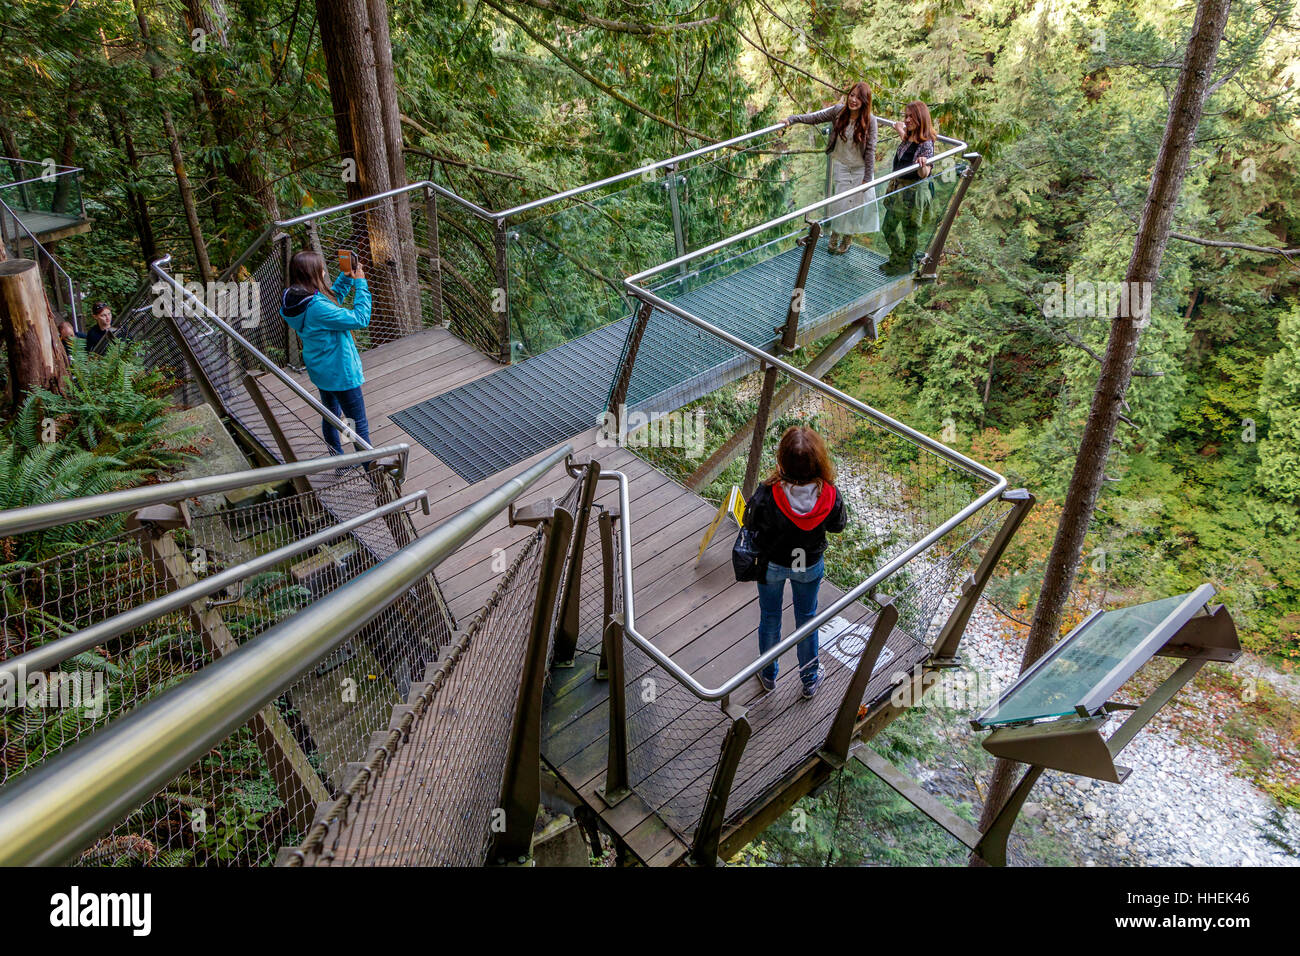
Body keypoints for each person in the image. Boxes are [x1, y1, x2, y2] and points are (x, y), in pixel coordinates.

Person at [743, 426, 848, 699]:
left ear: (783, 460)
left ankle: (767, 675)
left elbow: (750, 521)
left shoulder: (768, 493)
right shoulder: (829, 495)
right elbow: (838, 525)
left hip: (773, 564)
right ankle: (810, 678)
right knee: (806, 619)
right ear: (818, 461)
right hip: (808, 565)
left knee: (770, 617)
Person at [279, 250, 373, 457]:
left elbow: (330, 301)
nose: (323, 271)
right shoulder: (316, 307)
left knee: (331, 415)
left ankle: (339, 459)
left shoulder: (294, 297)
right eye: (320, 268)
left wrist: (345, 277)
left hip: (321, 369)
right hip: (340, 372)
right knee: (358, 425)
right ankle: (373, 475)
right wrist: (360, 283)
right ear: (312, 272)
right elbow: (360, 318)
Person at [781, 82, 879, 256]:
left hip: (860, 168)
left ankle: (847, 237)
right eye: (851, 95)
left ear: (865, 101)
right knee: (840, 204)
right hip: (842, 164)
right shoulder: (839, 112)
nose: (853, 100)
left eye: (858, 97)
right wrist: (792, 119)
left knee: (856, 205)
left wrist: (867, 179)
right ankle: (835, 233)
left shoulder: (870, 121)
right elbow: (815, 118)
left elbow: (871, 150)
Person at [879, 100, 937, 275]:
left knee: (909, 231)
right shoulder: (909, 137)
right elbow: (907, 150)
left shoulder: (926, 143)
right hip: (899, 191)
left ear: (921, 118)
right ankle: (898, 258)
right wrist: (900, 130)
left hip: (911, 195)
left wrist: (922, 164)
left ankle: (904, 263)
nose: (907, 119)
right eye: (906, 116)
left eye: (912, 116)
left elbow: (924, 173)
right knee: (888, 227)